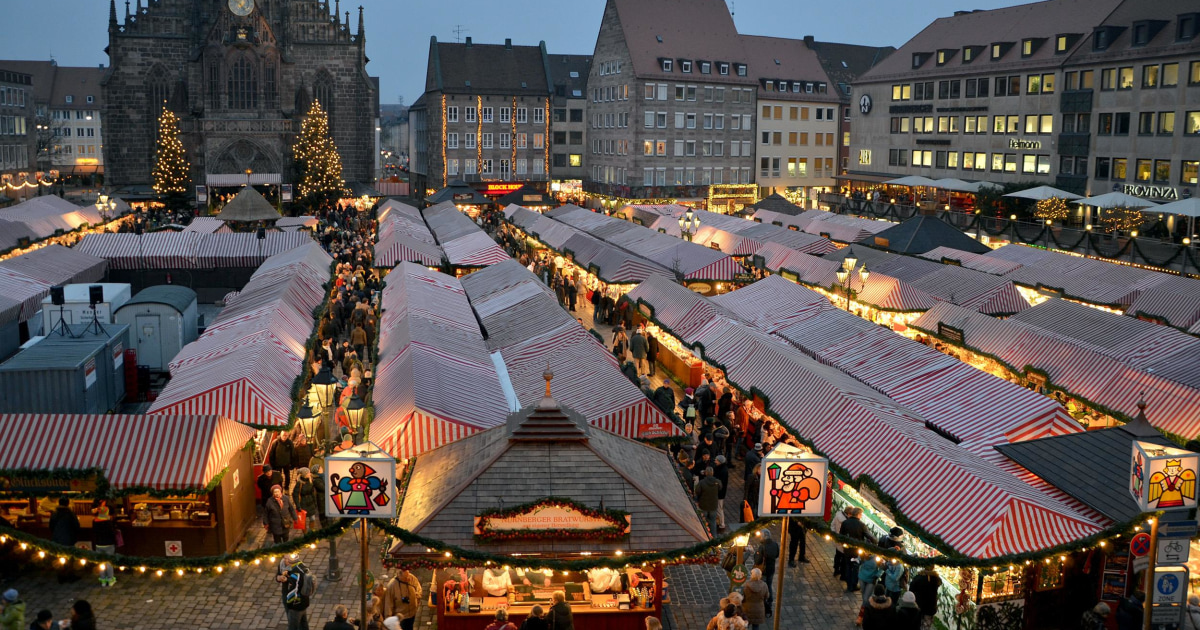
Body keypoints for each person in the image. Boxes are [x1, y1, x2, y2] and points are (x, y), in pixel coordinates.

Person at [277, 558, 314, 630]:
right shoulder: (302, 567)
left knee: (293, 626)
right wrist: (287, 579)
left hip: (296, 606)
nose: (285, 561)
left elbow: (294, 589)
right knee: (304, 625)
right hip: (304, 601)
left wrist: (290, 605)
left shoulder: (295, 573)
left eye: (287, 560)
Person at [48, 498, 79, 583]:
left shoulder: (54, 513)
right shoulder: (70, 514)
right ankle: (70, 576)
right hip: (68, 539)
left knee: (59, 557)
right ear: (68, 503)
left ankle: (61, 576)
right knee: (69, 557)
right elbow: (76, 526)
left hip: (57, 539)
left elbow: (51, 526)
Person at [91, 506, 118, 587]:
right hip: (109, 544)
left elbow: (94, 533)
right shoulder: (108, 522)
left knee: (101, 562)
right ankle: (110, 580)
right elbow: (112, 533)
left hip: (99, 544)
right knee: (109, 562)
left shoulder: (95, 521)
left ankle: (103, 580)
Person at [695, 467, 723, 536]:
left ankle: (704, 535)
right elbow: (720, 488)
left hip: (703, 505)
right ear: (712, 473)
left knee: (703, 522)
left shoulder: (702, 482)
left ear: (706, 473)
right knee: (713, 522)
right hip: (713, 505)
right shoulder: (717, 482)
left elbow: (697, 491)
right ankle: (714, 537)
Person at [758, 530, 780, 611]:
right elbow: (777, 555)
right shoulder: (775, 544)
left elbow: (758, 560)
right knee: (769, 585)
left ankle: (763, 601)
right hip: (771, 569)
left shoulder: (762, 547)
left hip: (763, 570)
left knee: (763, 586)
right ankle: (770, 600)